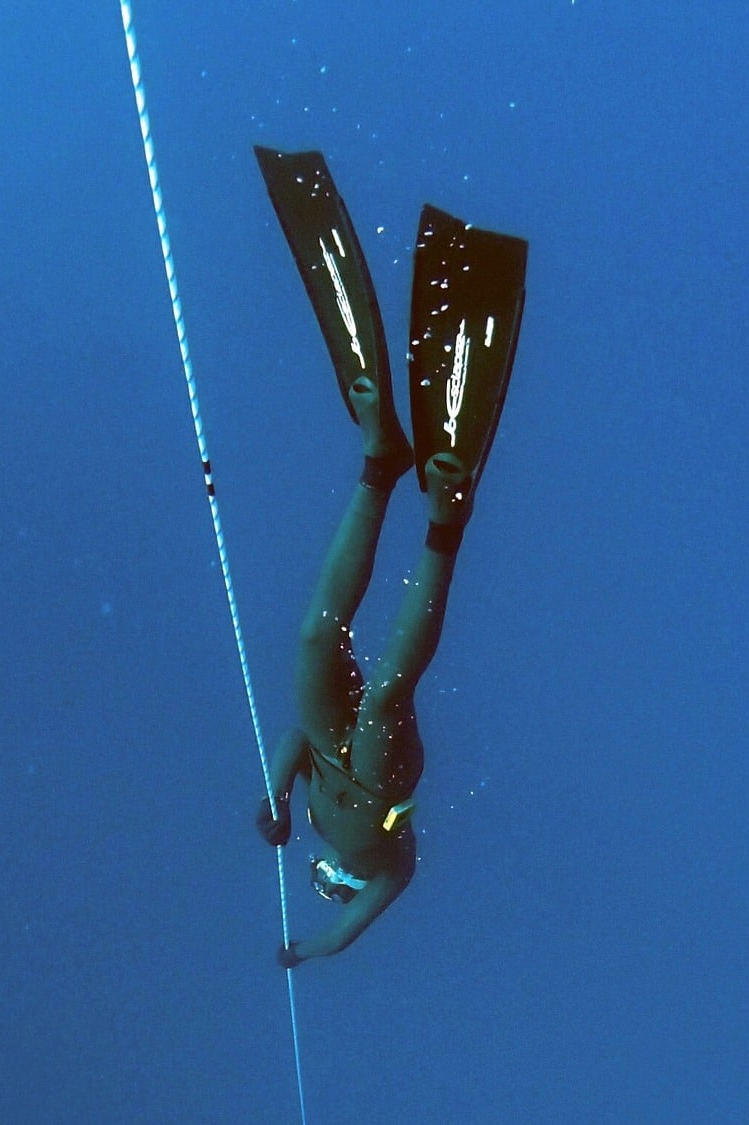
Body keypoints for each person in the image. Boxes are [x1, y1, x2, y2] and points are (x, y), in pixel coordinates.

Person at [250, 148, 527, 967]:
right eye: (332, 886)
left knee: (314, 635)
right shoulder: (388, 867)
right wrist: (308, 951)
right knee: (385, 699)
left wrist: (273, 798)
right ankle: (445, 523)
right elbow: (349, 931)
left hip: (326, 748)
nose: (330, 879)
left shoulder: (315, 823)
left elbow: (291, 744)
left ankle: (381, 463)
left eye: (323, 881)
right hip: (380, 779)